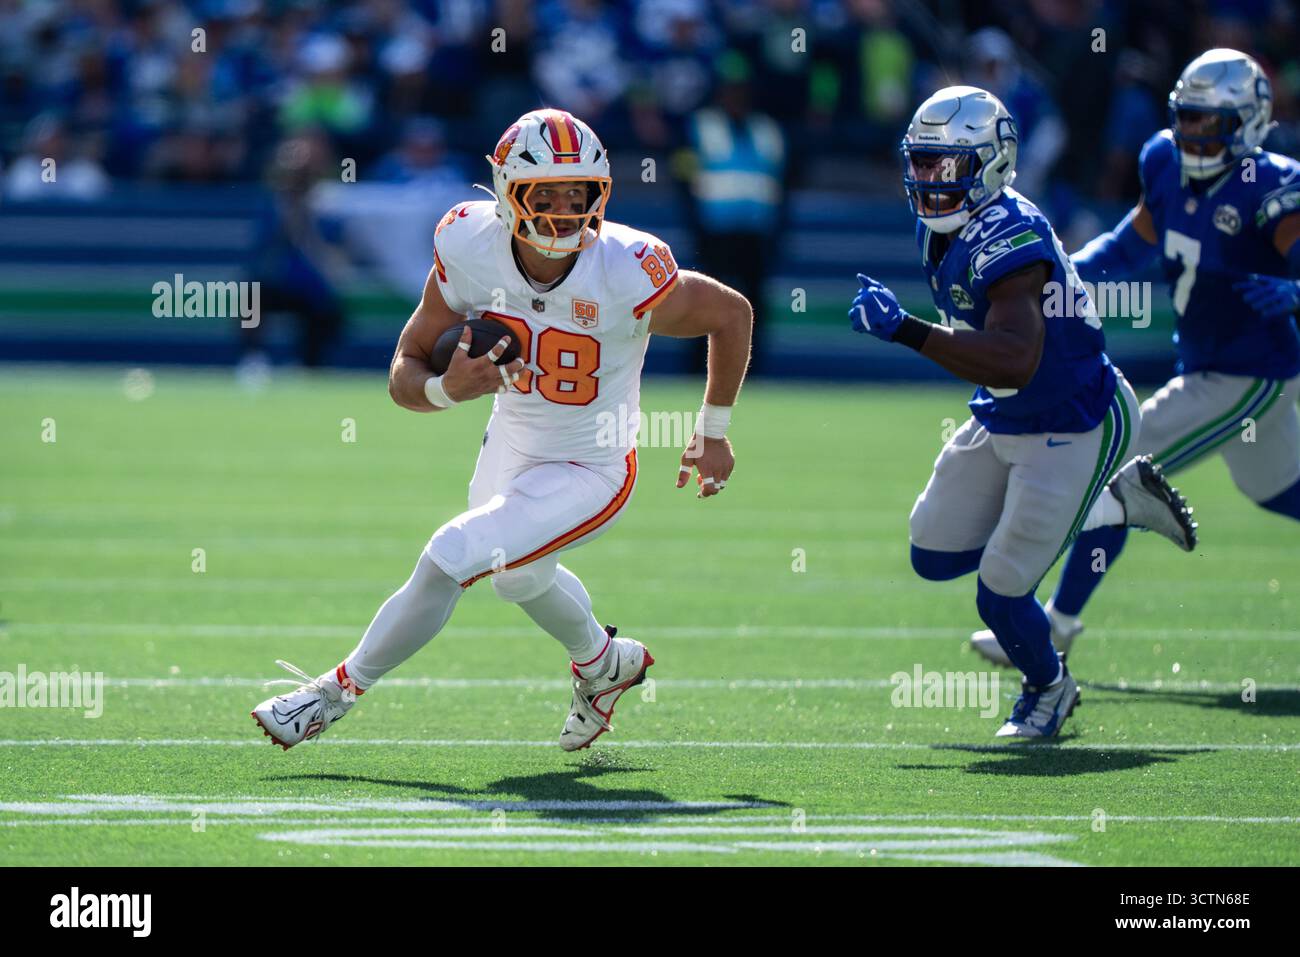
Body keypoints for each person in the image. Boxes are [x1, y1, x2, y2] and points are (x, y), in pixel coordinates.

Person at [251, 109, 753, 752]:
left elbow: (731, 313)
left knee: (453, 554)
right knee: (518, 577)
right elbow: (405, 370)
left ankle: (330, 695)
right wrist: (445, 389)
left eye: (581, 193)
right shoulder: (469, 244)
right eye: (546, 194)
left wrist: (714, 430)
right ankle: (604, 665)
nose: (566, 210)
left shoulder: (627, 266)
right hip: (511, 442)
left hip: (592, 466)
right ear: (508, 193)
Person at [851, 86, 1196, 738]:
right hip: (1008, 414)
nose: (929, 179)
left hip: (1073, 418)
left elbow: (1014, 357)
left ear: (993, 163)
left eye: (946, 166)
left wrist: (906, 331)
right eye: (922, 162)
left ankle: (1049, 689)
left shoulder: (1009, 236)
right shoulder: (946, 222)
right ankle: (1111, 503)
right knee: (931, 551)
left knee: (1002, 589)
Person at [977, 49, 1300, 667]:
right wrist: (1064, 274)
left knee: (1116, 470)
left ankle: (1055, 627)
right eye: (1189, 119)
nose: (1194, 136)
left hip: (1251, 373)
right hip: (1211, 365)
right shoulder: (1163, 159)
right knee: (1277, 489)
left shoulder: (1271, 184)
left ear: (1251, 123)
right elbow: (1132, 246)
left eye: (1212, 125)